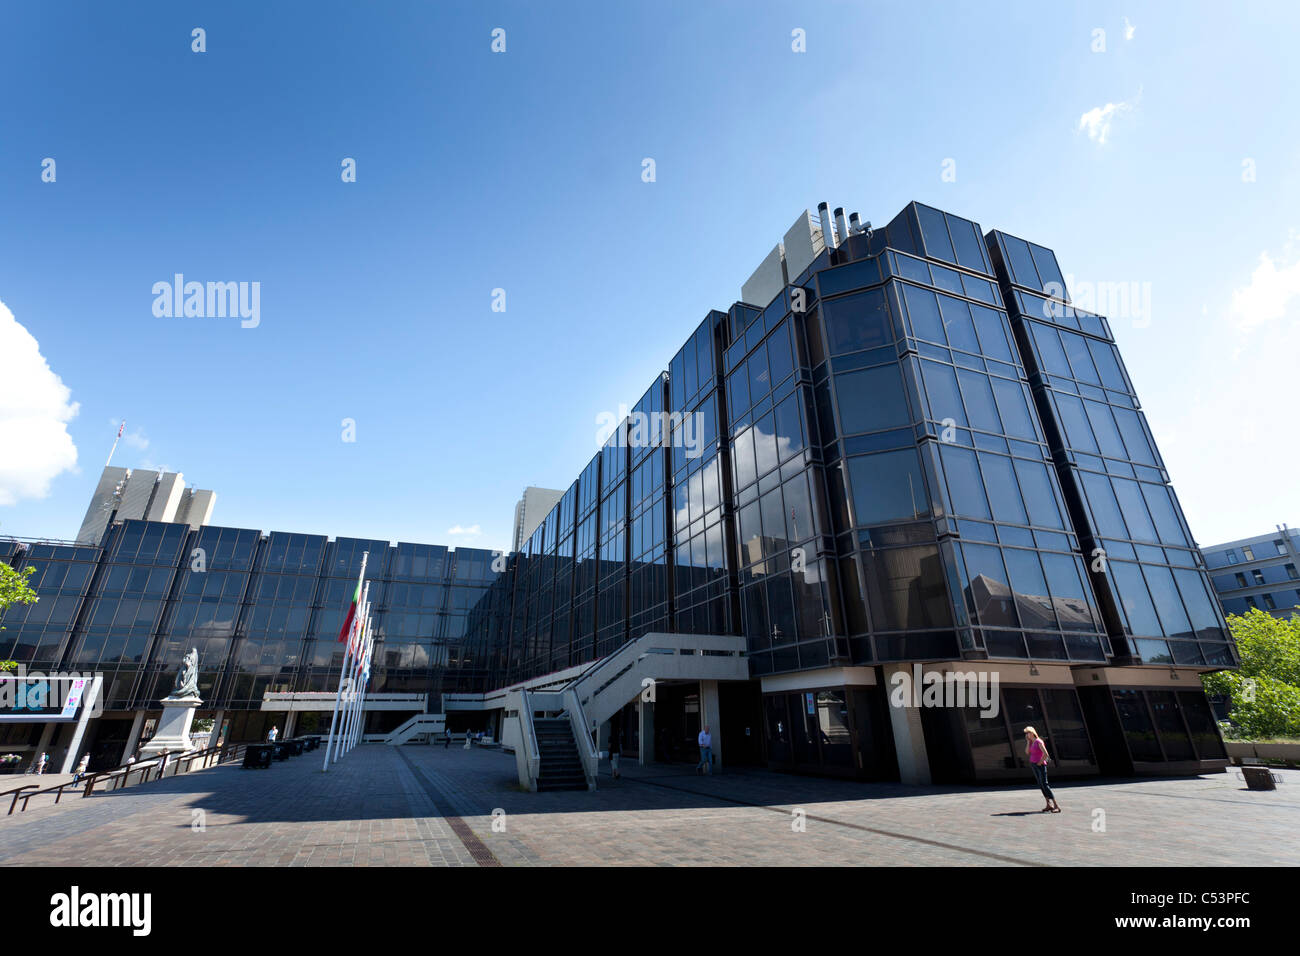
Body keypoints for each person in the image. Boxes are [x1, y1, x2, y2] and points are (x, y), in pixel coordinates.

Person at [1023, 726, 1060, 813]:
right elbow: (1027, 752)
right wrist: (1028, 742)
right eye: (1026, 733)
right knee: (1041, 784)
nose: (1027, 735)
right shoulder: (1031, 742)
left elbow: (1046, 754)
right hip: (1033, 765)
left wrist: (1040, 762)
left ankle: (1056, 806)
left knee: (1045, 784)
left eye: (1028, 733)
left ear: (1032, 733)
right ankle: (1048, 804)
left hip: (1040, 765)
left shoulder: (1039, 741)